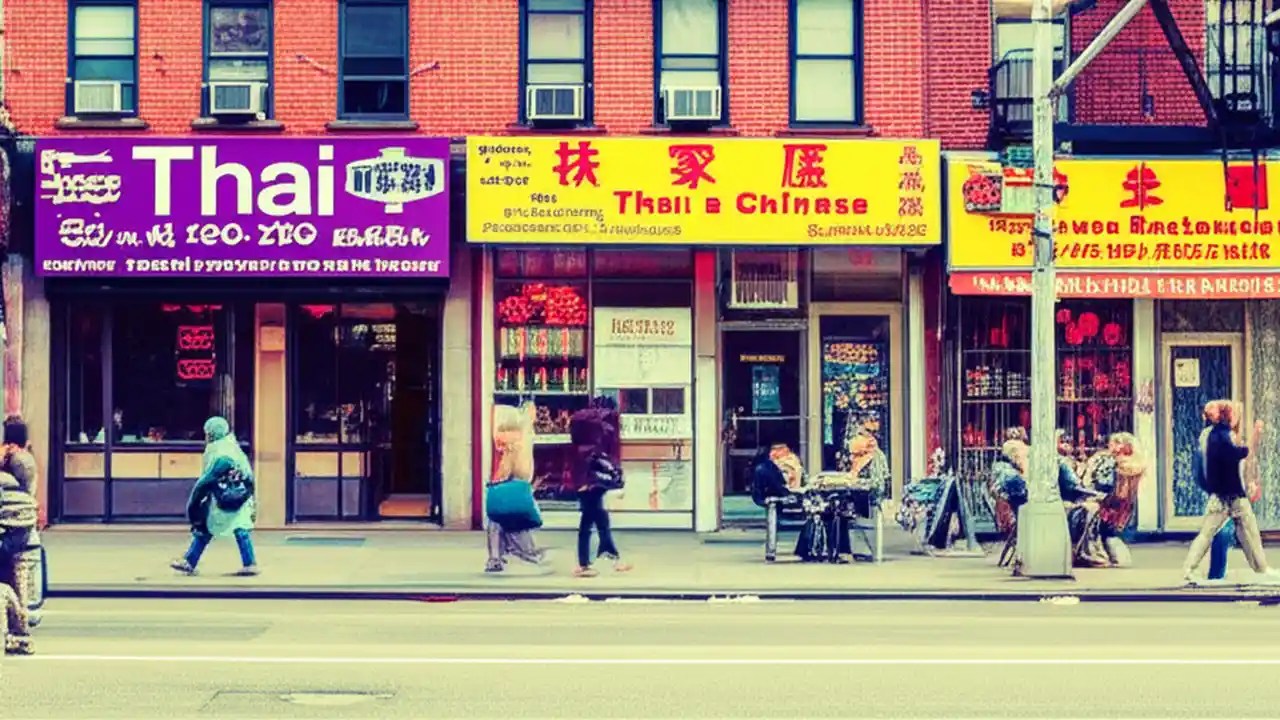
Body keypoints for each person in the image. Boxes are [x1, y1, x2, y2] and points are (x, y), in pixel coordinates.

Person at [1181, 401, 1279, 585]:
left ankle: (1260, 568)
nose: (1237, 417)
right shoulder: (1221, 436)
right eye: (1234, 413)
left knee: (1240, 531)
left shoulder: (1214, 435)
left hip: (1224, 493)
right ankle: (1191, 569)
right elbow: (1238, 455)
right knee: (1239, 531)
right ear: (1227, 416)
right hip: (1229, 494)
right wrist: (1255, 437)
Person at [170, 417, 258, 576]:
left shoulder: (217, 453)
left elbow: (206, 481)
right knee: (240, 527)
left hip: (221, 499)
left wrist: (193, 503)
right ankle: (249, 562)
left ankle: (190, 561)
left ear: (211, 434)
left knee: (207, 527)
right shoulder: (234, 448)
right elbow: (249, 477)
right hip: (241, 497)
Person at [795, 428, 888, 563]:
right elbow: (850, 475)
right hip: (853, 494)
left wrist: (854, 482)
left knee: (837, 510)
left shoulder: (875, 458)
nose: (852, 451)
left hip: (866, 498)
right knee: (824, 508)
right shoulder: (858, 458)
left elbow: (877, 484)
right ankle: (821, 549)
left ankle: (840, 550)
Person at [570, 397, 630, 578]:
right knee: (591, 522)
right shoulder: (602, 428)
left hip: (585, 482)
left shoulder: (582, 428)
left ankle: (610, 555)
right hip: (593, 483)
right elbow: (607, 454)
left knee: (597, 520)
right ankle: (584, 564)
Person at [484, 404, 545, 573]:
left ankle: (499, 557)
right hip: (521, 484)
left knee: (497, 519)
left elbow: (508, 465)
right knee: (510, 520)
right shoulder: (526, 437)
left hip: (511, 485)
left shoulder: (517, 440)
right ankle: (518, 552)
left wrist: (495, 481)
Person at [1, 416, 41, 646]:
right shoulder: (25, 460)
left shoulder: (10, 459)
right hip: (22, 527)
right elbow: (29, 493)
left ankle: (16, 625)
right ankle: (19, 627)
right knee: (18, 580)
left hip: (8, 527)